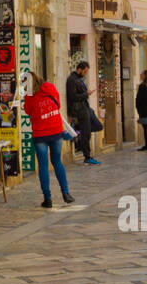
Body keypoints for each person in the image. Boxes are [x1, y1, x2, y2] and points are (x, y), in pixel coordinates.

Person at [21, 71, 74, 208]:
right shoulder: (50, 87)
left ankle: (48, 198)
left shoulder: (30, 95)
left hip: (40, 134)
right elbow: (58, 104)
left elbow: (27, 111)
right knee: (57, 162)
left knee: (43, 166)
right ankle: (66, 193)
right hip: (56, 130)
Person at [66, 61, 96, 165]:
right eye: (85, 71)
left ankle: (80, 141)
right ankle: (87, 156)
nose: (85, 73)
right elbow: (73, 97)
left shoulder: (78, 79)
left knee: (96, 126)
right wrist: (86, 94)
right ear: (79, 69)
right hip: (80, 110)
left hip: (85, 109)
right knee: (86, 133)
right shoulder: (72, 80)